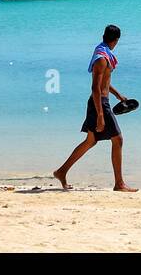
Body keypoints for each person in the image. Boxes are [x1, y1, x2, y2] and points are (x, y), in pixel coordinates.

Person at [53, 24, 136, 191]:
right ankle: (119, 184)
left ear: (104, 36)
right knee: (118, 140)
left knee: (91, 141)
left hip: (99, 102)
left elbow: (104, 82)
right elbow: (95, 88)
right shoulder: (102, 59)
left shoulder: (102, 52)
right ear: (116, 40)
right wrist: (100, 115)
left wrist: (117, 94)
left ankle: (62, 171)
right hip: (99, 104)